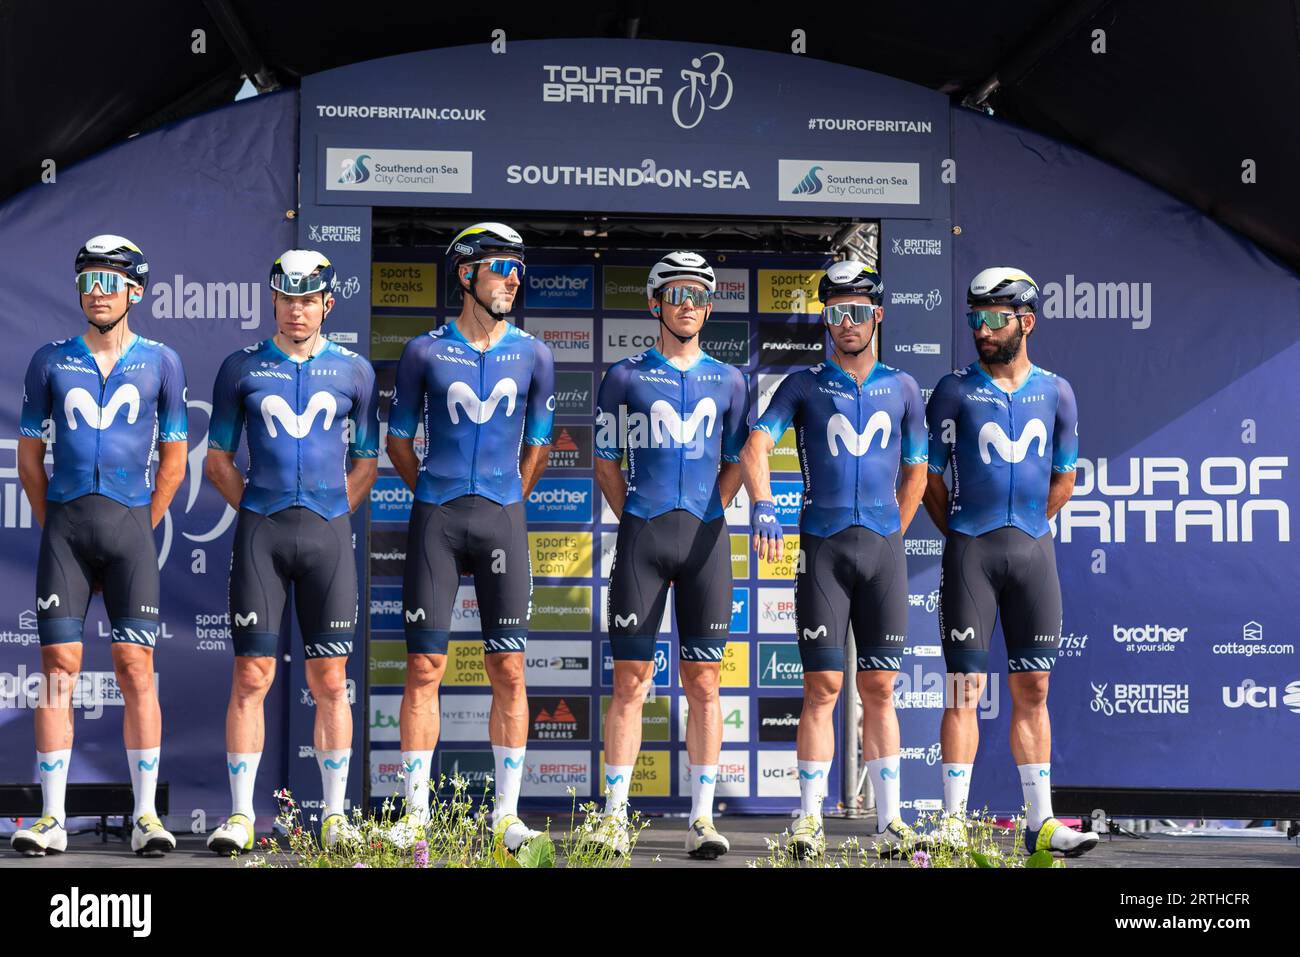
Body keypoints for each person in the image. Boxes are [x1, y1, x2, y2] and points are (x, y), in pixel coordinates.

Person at [740, 261, 928, 858]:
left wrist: (891, 535)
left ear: (878, 315)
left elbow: (918, 471)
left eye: (858, 310)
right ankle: (808, 818)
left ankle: (890, 821)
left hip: (881, 552)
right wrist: (765, 507)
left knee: (880, 687)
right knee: (822, 686)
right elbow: (755, 447)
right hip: (822, 549)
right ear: (825, 318)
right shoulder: (802, 383)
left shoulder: (903, 387)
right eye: (835, 311)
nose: (847, 322)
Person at [12, 235, 187, 857]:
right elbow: (30, 456)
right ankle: (51, 819)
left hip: (130, 530)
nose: (97, 291)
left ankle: (146, 819)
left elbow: (174, 460)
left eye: (110, 281)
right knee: (58, 671)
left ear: (136, 291)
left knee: (136, 670)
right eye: (88, 279)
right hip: (66, 529)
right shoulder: (49, 360)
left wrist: (142, 522)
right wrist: (50, 518)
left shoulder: (162, 361)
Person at [386, 223, 554, 853]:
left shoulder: (534, 354)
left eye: (517, 269)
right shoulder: (424, 352)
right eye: (499, 268)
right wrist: (433, 489)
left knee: (508, 667)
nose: (512, 279)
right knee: (424, 666)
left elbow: (538, 443)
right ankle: (416, 817)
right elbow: (398, 440)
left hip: (503, 518)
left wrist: (507, 497)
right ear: (465, 275)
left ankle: (506, 815)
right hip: (437, 515)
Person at [204, 250, 378, 854]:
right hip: (262, 534)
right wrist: (256, 505)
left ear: (328, 303)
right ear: (273, 300)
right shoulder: (241, 367)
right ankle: (240, 816)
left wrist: (333, 512)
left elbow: (367, 460)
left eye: (308, 300)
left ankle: (334, 815)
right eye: (287, 298)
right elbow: (217, 460)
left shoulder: (355, 371)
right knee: (252, 674)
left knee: (331, 679)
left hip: (328, 535)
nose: (297, 309)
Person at [922, 267, 1096, 857]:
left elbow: (1065, 477)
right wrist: (965, 533)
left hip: (1033, 553)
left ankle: (1040, 822)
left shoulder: (1058, 391)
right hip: (971, 551)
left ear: (1027, 321)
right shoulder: (952, 389)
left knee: (1035, 687)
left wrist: (1025, 528)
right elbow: (928, 480)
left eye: (995, 318)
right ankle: (950, 826)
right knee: (962, 690)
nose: (982, 329)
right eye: (975, 318)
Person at [587, 251, 750, 859]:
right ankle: (612, 817)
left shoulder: (730, 379)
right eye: (677, 293)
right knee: (630, 683)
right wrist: (639, 510)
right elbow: (604, 461)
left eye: (699, 296)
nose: (689, 305)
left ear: (709, 307)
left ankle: (702, 820)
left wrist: (715, 506)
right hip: (643, 539)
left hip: (706, 540)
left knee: (705, 683)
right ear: (655, 302)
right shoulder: (624, 376)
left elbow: (736, 458)